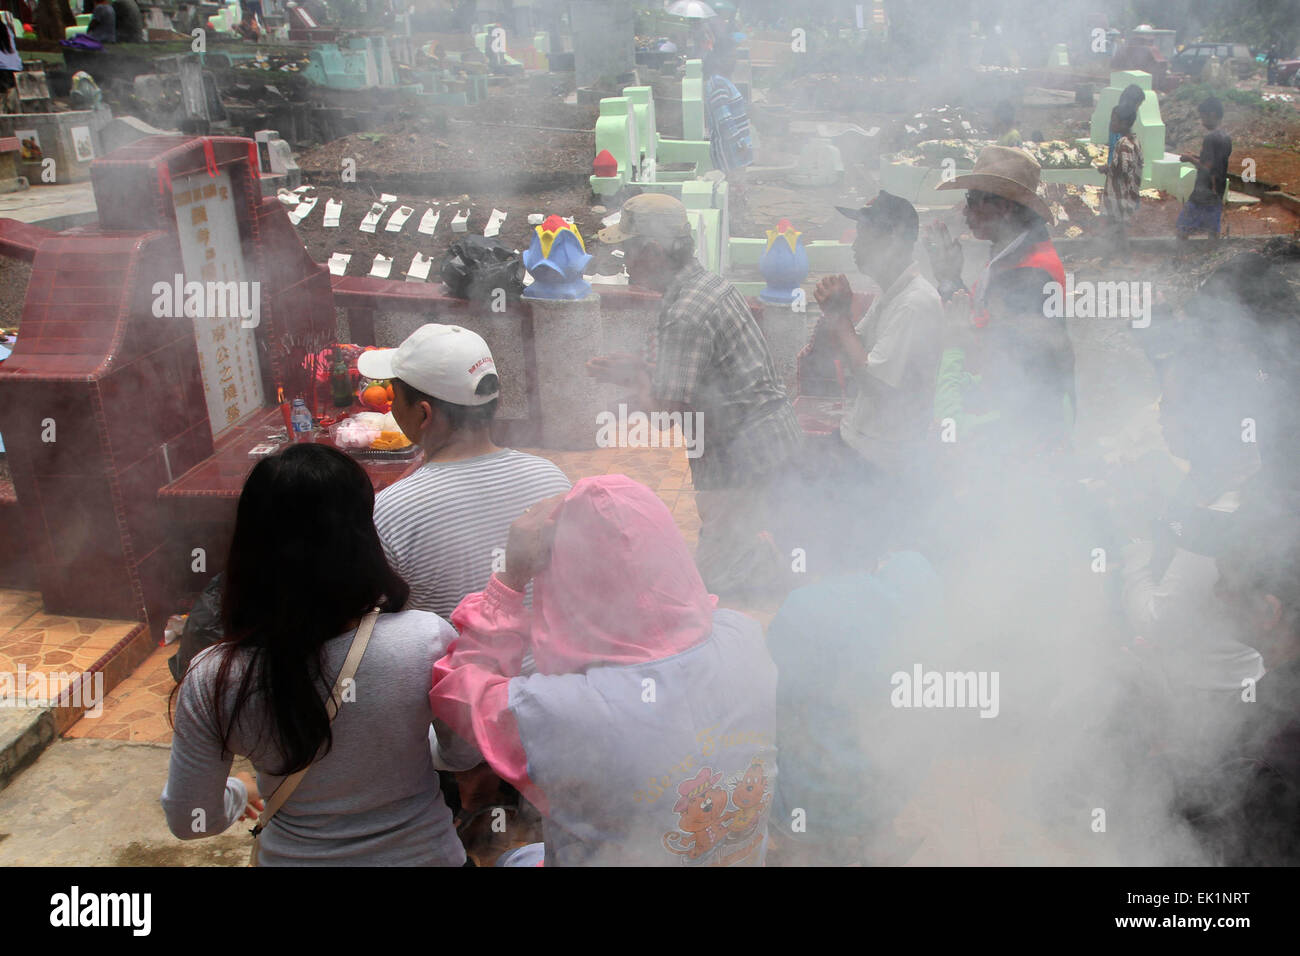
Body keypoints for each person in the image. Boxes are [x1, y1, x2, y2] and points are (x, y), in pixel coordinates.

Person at [431, 475, 779, 866]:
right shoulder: (745, 637)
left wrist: (510, 582)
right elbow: (665, 609)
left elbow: (459, 691)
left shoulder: (563, 711)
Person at [162, 444, 477, 865]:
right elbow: (463, 754)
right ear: (364, 535)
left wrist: (240, 790)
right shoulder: (426, 639)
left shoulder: (214, 677)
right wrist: (404, 736)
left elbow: (191, 821)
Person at [588, 193, 803, 600]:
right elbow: (698, 377)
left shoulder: (686, 311)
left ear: (652, 251)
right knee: (734, 547)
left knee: (714, 586)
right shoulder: (709, 284)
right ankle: (775, 578)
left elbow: (669, 416)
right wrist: (643, 369)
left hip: (746, 456)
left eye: (629, 249)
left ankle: (769, 625)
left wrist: (635, 383)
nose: (625, 260)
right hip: (765, 442)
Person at [360, 324, 571, 622]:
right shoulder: (551, 478)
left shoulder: (392, 511)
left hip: (456, 668)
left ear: (423, 414)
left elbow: (373, 620)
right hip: (547, 666)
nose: (391, 407)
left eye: (395, 397)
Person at [801, 191, 942, 558]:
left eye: (864, 234)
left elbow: (875, 383)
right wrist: (837, 314)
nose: (855, 244)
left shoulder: (914, 303)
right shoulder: (893, 295)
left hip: (881, 460)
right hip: (863, 443)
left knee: (849, 552)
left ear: (894, 238)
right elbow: (852, 352)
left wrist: (840, 318)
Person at [927, 145, 1075, 458]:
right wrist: (949, 277)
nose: (964, 213)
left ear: (1004, 208)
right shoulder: (1016, 257)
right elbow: (989, 326)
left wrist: (954, 341)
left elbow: (992, 355)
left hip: (1018, 441)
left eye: (971, 200)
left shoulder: (1028, 275)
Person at [1176, 96, 1231, 244]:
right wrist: (1195, 156)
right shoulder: (1226, 137)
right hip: (1217, 190)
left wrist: (1189, 159)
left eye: (1203, 117)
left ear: (1212, 114)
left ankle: (1180, 258)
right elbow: (1216, 162)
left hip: (1203, 191)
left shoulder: (1210, 138)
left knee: (1182, 227)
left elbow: (1207, 168)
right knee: (1213, 230)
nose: (1202, 121)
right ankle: (1211, 261)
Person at [702, 41, 754, 180]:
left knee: (738, 193)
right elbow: (724, 120)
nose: (734, 61)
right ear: (719, 60)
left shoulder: (723, 81)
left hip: (735, 153)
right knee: (733, 192)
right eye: (730, 57)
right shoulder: (718, 83)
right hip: (730, 154)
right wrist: (740, 144)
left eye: (735, 57)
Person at [1101, 104, 1143, 255]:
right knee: (1119, 227)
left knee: (1116, 226)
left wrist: (1107, 169)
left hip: (1119, 194)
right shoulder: (1134, 141)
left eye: (1114, 120)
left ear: (1124, 123)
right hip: (1128, 192)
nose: (1111, 123)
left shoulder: (1123, 144)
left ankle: (1119, 257)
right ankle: (1118, 257)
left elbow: (1123, 169)